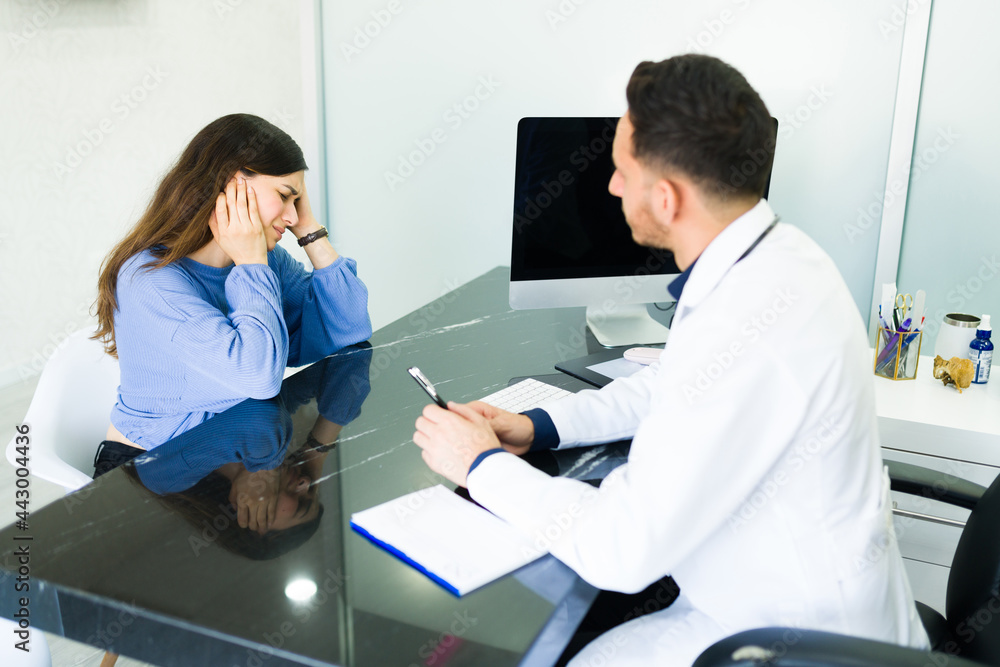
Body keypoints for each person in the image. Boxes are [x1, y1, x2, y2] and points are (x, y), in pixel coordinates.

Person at [413, 55, 929, 665]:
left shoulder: (745, 321)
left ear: (665, 198)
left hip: (799, 642)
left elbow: (621, 549)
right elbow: (672, 383)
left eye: (621, 172)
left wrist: (480, 465)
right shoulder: (774, 257)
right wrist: (539, 426)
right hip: (774, 596)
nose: (610, 187)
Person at [92, 113, 372, 475]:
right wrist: (251, 264)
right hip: (148, 468)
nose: (291, 215)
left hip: (225, 451)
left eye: (297, 202)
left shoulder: (265, 259)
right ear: (232, 187)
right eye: (285, 197)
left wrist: (310, 231)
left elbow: (349, 329)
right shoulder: (150, 281)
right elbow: (258, 378)